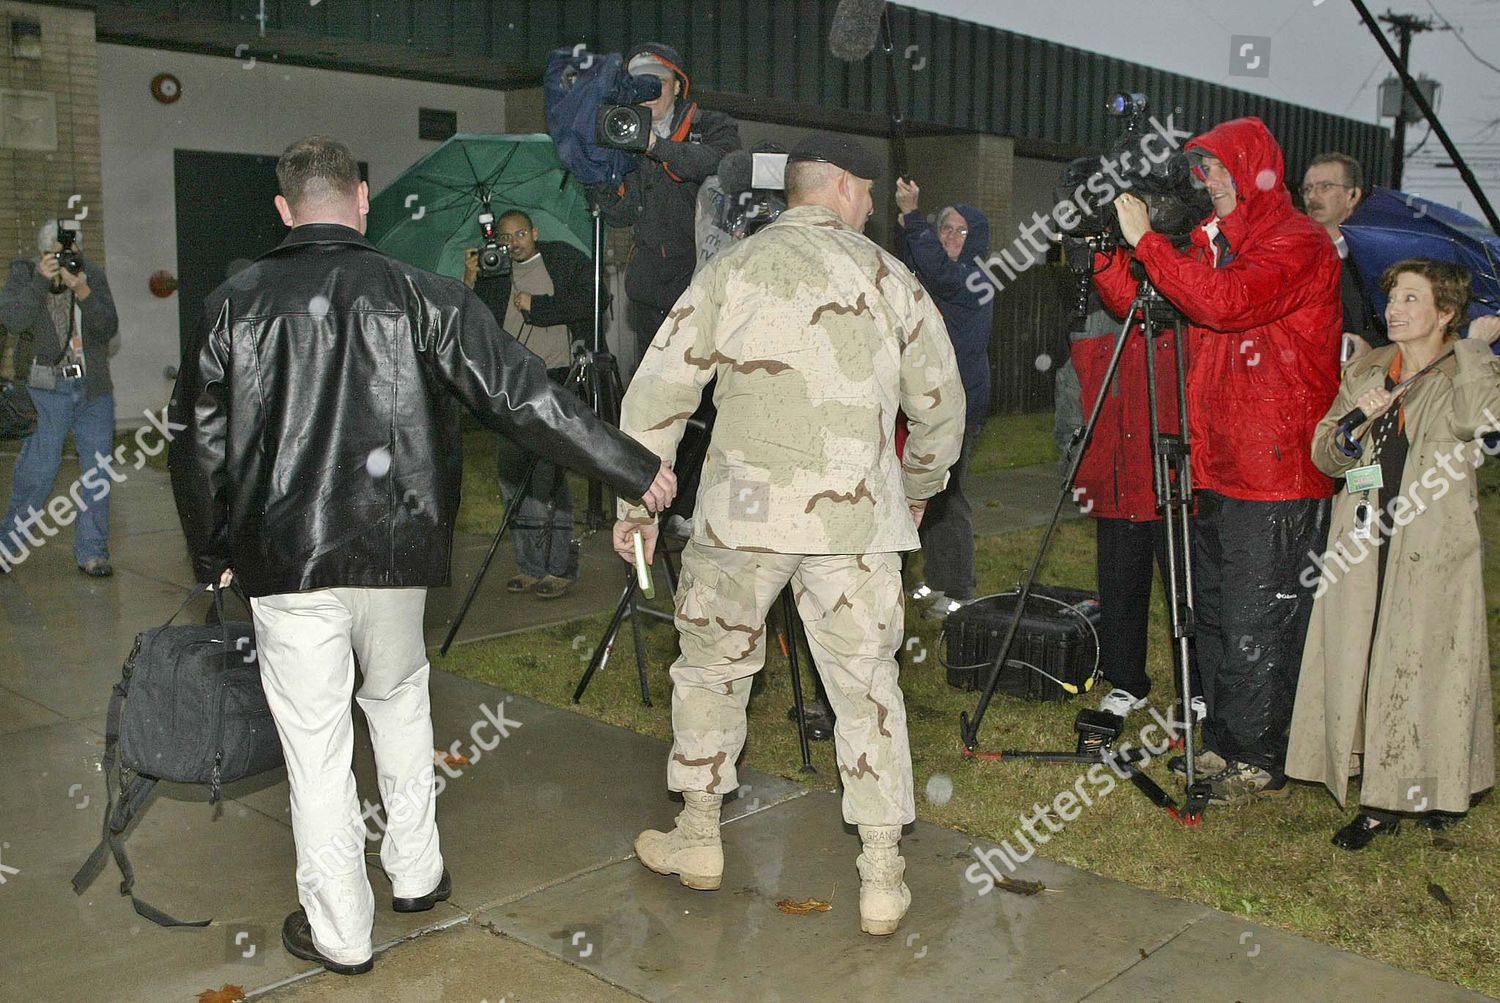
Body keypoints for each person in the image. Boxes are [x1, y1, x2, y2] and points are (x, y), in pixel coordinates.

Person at [169, 136, 674, 976]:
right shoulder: (421, 294)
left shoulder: (234, 302)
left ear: (285, 211)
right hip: (395, 554)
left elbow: (196, 443)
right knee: (400, 702)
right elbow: (523, 394)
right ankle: (417, 869)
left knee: (317, 744)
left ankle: (340, 930)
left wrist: (215, 549)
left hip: (286, 560)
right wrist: (633, 466)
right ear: (363, 201)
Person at [613, 132, 965, 936]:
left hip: (742, 517)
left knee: (711, 668)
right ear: (838, 186)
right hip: (855, 521)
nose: (873, 204)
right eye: (868, 191)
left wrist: (635, 509)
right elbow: (940, 407)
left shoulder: (733, 270)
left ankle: (700, 833)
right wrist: (914, 493)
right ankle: (881, 874)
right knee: (867, 686)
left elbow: (658, 393)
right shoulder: (891, 278)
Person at [1098, 116, 1342, 804]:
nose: (1209, 181)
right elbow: (1147, 304)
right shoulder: (1216, 244)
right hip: (1218, 460)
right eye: (1203, 169)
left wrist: (1147, 238)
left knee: (1256, 614)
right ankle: (1225, 740)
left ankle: (1260, 755)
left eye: (1221, 168)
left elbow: (1225, 303)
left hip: (1275, 469)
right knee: (1214, 609)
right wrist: (1107, 253)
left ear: (1259, 171)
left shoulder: (1297, 244)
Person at [1287, 259, 1498, 849]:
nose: (1395, 310)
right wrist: (1358, 420)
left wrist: (1478, 350)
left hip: (1433, 546)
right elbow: (1326, 453)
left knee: (1433, 665)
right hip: (1363, 538)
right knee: (1367, 653)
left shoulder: (1469, 368)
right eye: (1393, 299)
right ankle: (1379, 782)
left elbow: (1480, 420)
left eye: (1411, 298)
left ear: (1447, 312)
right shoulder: (1368, 367)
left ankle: (1418, 790)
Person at [1058, 292, 1203, 729]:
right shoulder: (1093, 314)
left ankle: (1196, 687)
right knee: (1119, 584)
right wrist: (1075, 457)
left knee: (1186, 591)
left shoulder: (1181, 297)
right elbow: (1071, 387)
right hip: (1116, 476)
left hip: (1173, 479)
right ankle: (1126, 681)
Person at [464, 209, 600, 599]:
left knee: (548, 479)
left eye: (520, 234)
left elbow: (593, 301)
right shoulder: (495, 271)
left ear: (534, 232)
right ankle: (529, 566)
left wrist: (537, 307)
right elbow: (475, 323)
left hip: (553, 380)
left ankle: (558, 569)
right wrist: (471, 281)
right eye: (505, 239)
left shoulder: (562, 259)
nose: (513, 244)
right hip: (508, 383)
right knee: (512, 479)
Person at [591, 42, 740, 379]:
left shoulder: (713, 126)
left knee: (701, 399)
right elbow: (620, 215)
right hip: (649, 295)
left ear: (677, 85)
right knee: (651, 400)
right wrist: (596, 177)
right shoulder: (623, 133)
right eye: (638, 82)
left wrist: (656, 146)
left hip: (700, 289)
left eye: (657, 80)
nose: (648, 89)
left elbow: (719, 163)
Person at [893, 180, 992, 619]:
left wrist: (915, 218)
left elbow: (937, 273)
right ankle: (935, 577)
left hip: (960, 404)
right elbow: (914, 266)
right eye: (945, 228)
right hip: (923, 402)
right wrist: (910, 228)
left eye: (961, 231)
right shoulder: (939, 270)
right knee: (924, 488)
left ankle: (961, 587)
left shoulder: (974, 277)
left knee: (950, 497)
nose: (951, 236)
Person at [0, 219, 119, 577]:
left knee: (97, 471)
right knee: (38, 472)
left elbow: (108, 327)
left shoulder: (90, 275)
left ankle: (92, 553)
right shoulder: (23, 274)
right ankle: (6, 547)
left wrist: (82, 290)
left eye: (70, 250)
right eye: (56, 250)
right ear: (42, 251)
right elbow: (13, 320)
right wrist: (40, 279)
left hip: (93, 389)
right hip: (46, 389)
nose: (65, 256)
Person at [1301, 152, 1385, 364]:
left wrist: (1373, 354)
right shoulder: (1297, 260)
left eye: (1325, 186)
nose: (1313, 196)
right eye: (1308, 189)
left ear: (1353, 195)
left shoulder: (1373, 263)